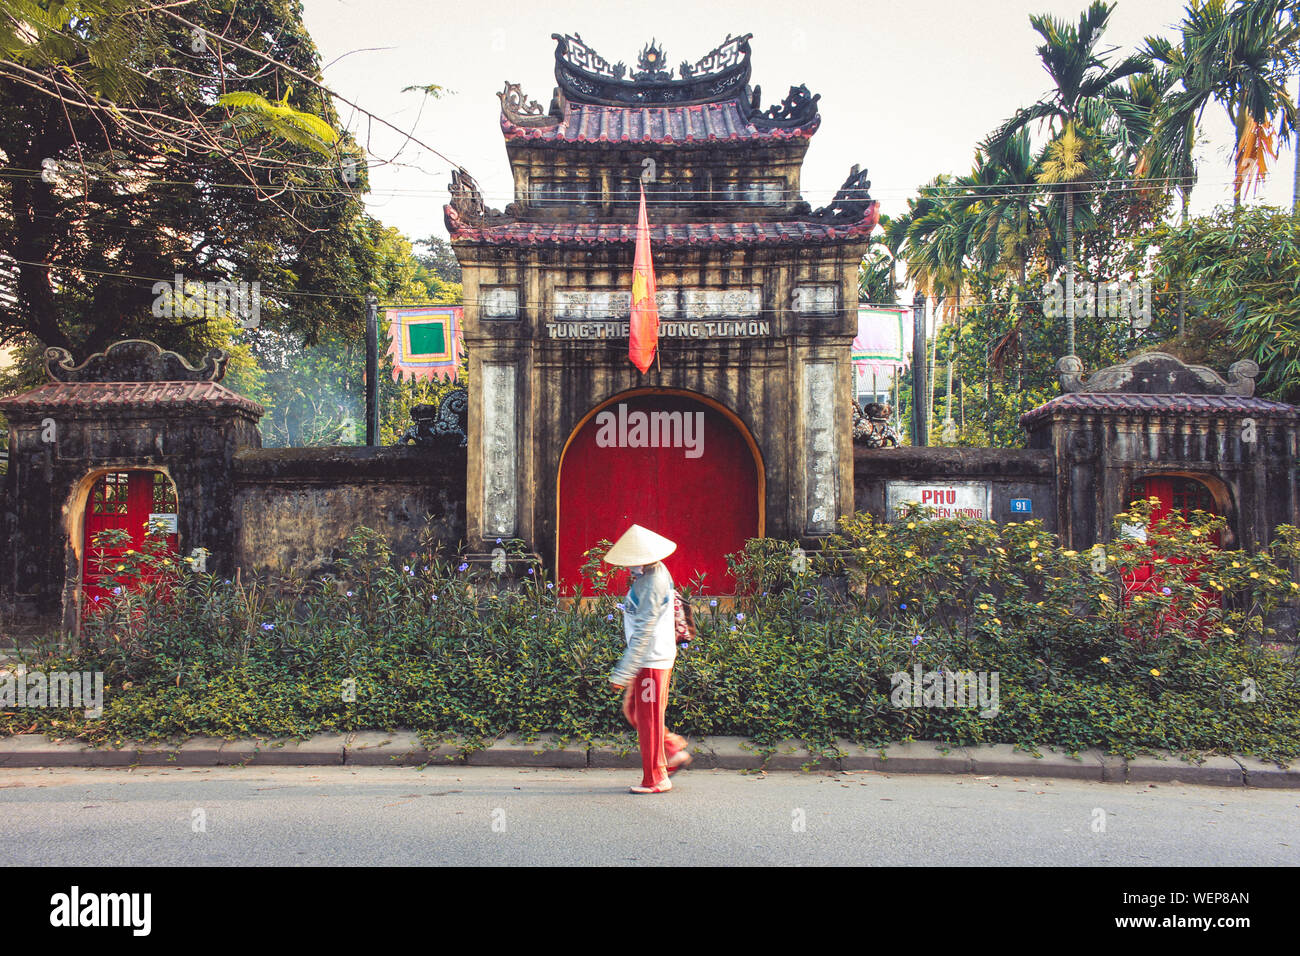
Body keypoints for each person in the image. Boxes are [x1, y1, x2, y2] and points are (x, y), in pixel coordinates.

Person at [606, 524, 691, 793]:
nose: (628, 566)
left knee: (649, 720)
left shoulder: (651, 583)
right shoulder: (653, 573)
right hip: (650, 658)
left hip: (651, 660)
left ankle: (656, 778)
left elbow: (643, 632)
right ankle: (672, 751)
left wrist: (622, 673)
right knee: (635, 712)